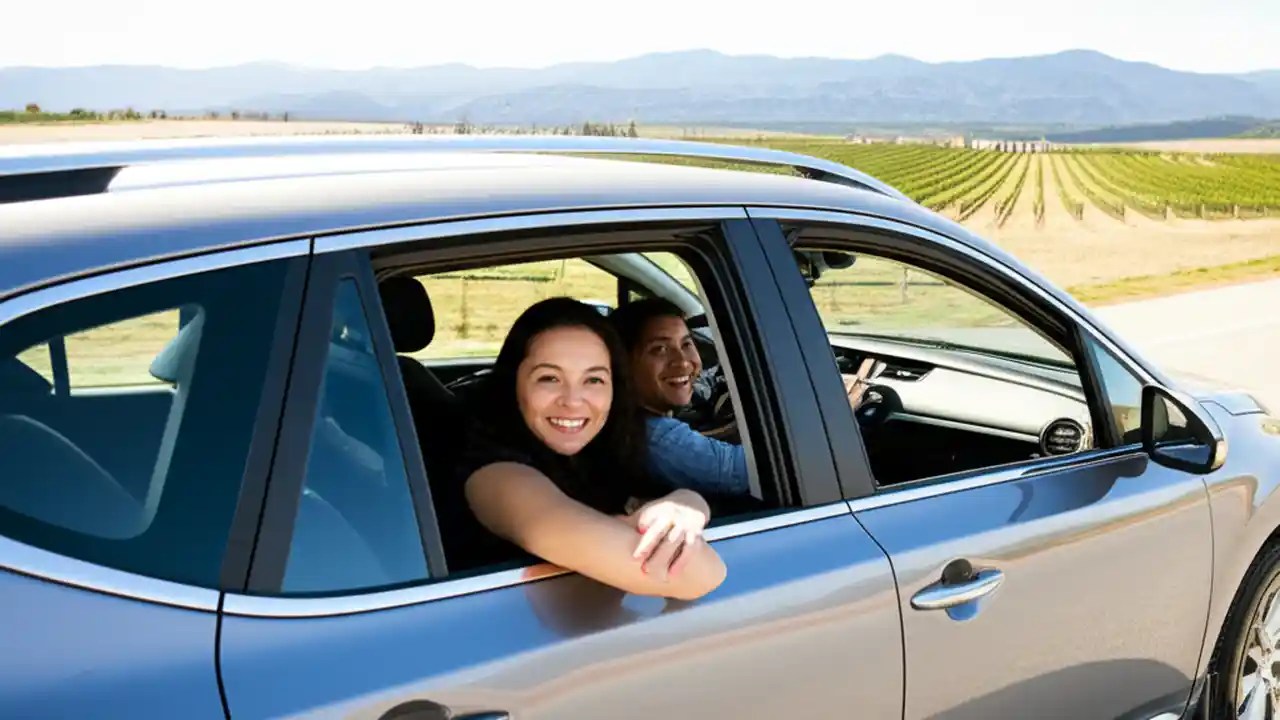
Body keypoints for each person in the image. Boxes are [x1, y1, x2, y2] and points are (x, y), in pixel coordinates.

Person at [452, 297, 726, 600]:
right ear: (512, 382)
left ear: (615, 388)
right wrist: (684, 510)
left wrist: (686, 504)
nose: (573, 400)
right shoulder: (498, 479)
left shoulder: (598, 452)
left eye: (594, 379)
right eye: (549, 378)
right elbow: (703, 574)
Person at [611, 297, 878, 496]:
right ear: (623, 363)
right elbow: (765, 471)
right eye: (659, 349)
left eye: (686, 344)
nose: (683, 362)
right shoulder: (655, 439)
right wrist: (833, 413)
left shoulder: (628, 424)